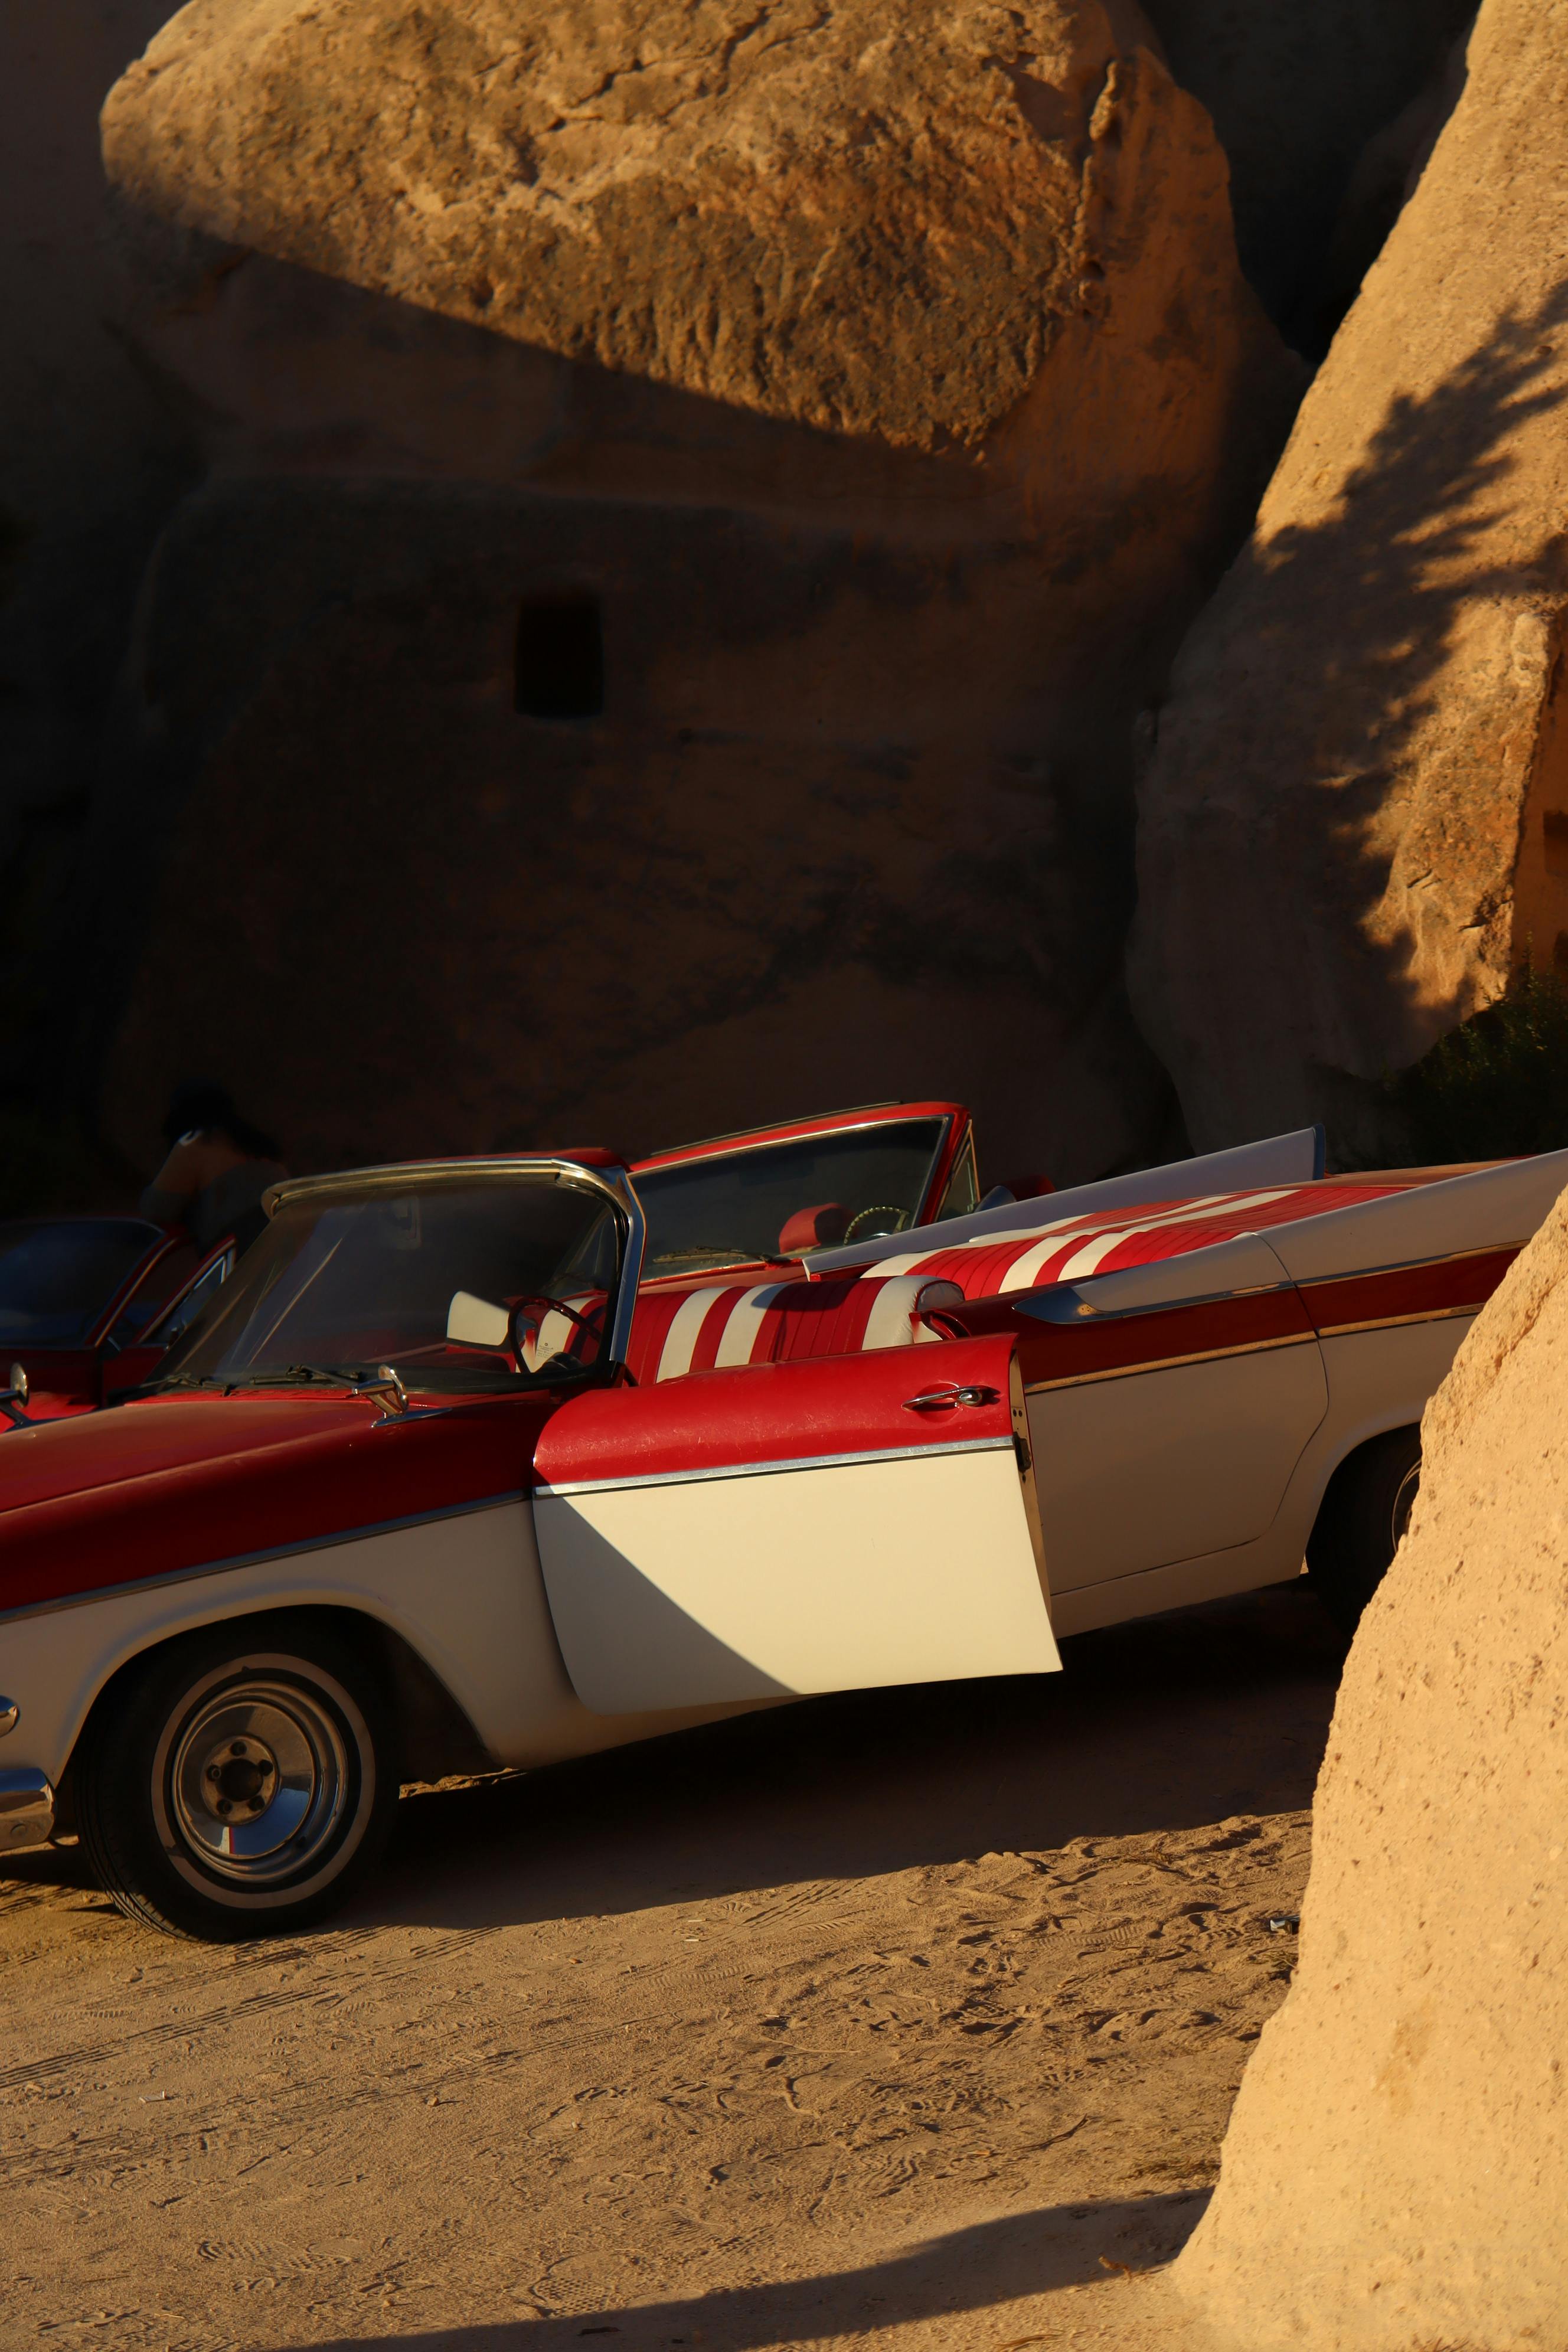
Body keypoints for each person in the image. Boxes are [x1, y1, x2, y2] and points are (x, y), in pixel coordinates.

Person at [138, 1082, 287, 1253]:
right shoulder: (258, 1144)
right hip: (291, 1248)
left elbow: (156, 1210)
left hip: (242, 1259)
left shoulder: (195, 1142)